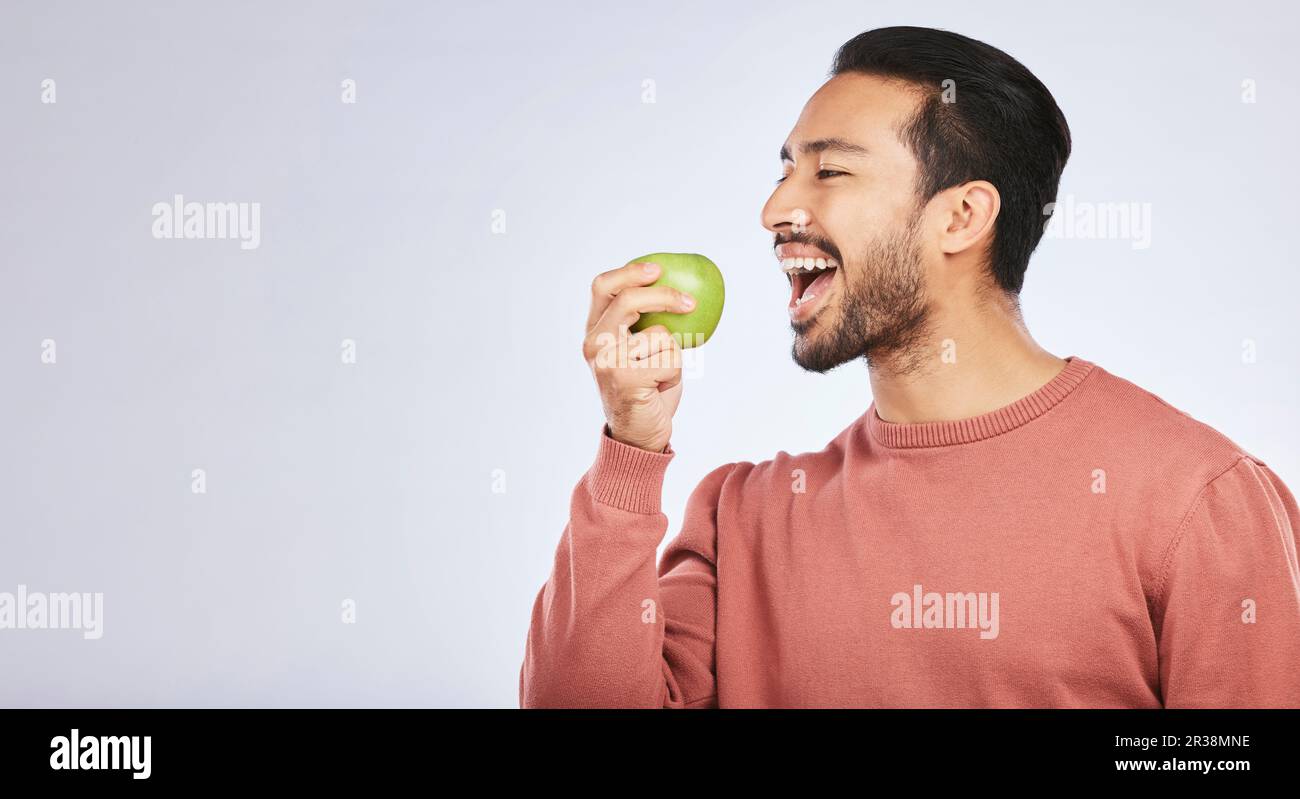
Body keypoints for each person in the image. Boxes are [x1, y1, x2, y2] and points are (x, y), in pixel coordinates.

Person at [519, 25, 1300, 708]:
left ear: (961, 216)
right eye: (784, 168)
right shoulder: (739, 519)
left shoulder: (1202, 500)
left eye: (828, 171)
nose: (775, 210)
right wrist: (631, 448)